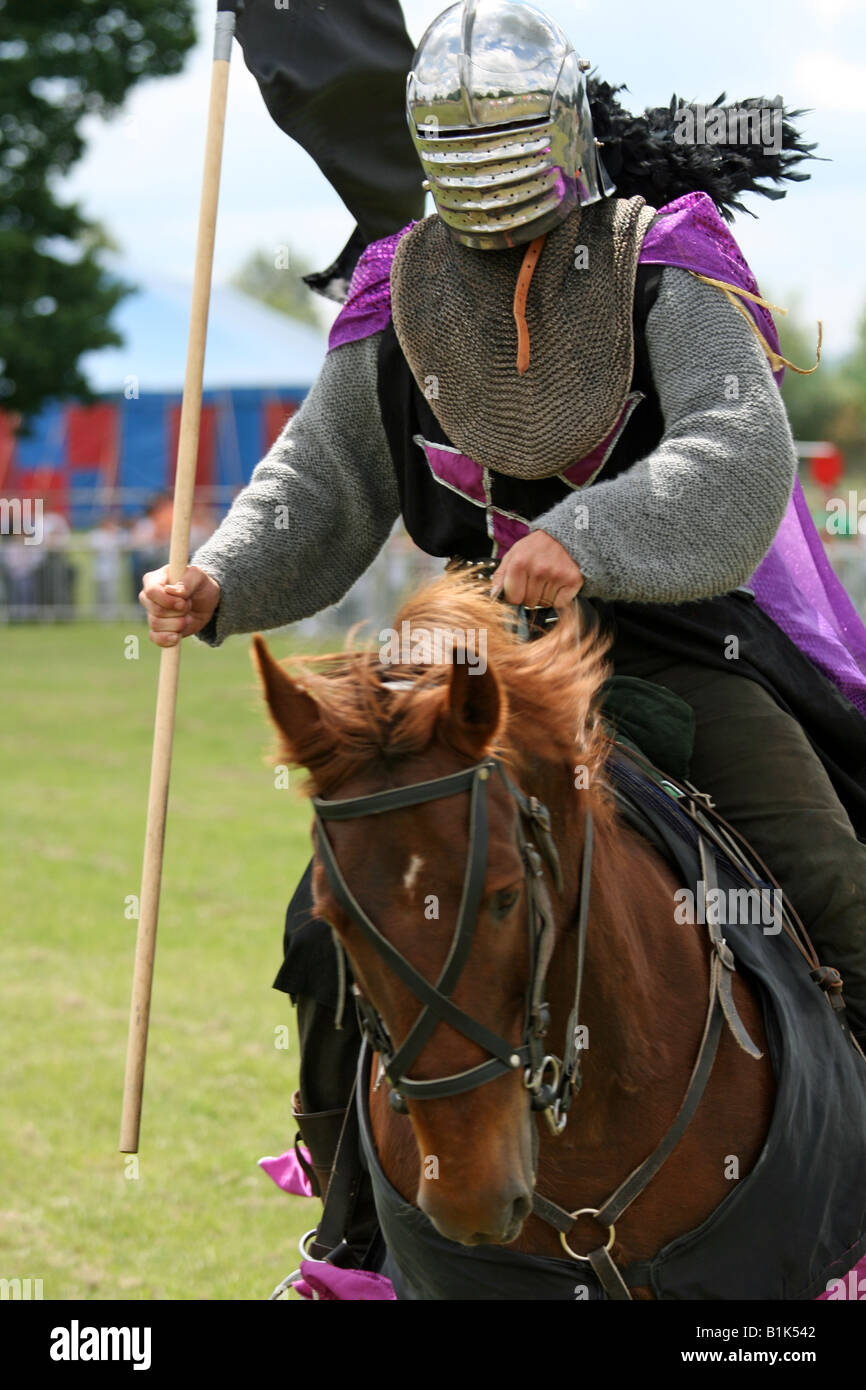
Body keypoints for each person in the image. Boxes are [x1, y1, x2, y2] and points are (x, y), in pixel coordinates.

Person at [139, 0, 866, 1260]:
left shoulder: (668, 263)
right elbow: (318, 480)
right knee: (329, 920)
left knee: (833, 885)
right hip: (470, 656)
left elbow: (731, 450)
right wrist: (215, 578)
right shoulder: (398, 286)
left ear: (565, 131)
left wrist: (585, 537)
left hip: (678, 642)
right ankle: (358, 1218)